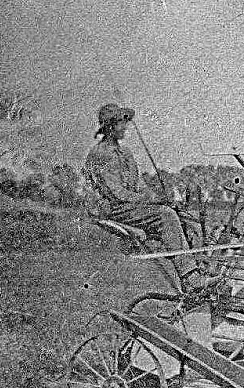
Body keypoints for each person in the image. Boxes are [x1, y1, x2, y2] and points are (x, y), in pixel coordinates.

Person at [83, 103, 200, 282]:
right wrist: (150, 202)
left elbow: (140, 185)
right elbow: (117, 194)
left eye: (126, 122)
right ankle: (192, 279)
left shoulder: (125, 152)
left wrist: (160, 199)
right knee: (165, 216)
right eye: (121, 123)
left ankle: (196, 273)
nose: (125, 127)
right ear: (110, 126)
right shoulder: (100, 154)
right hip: (116, 209)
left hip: (131, 208)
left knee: (183, 217)